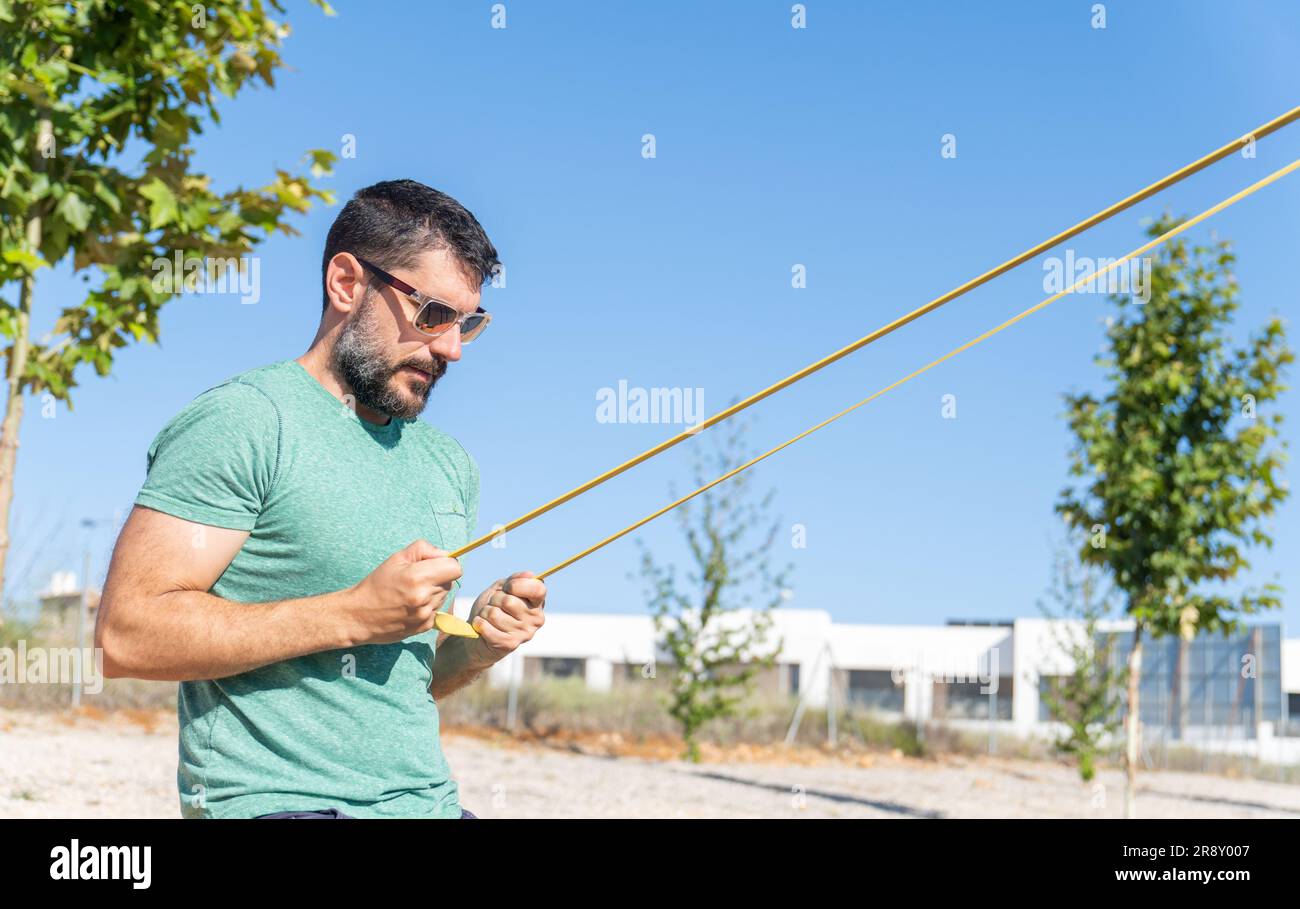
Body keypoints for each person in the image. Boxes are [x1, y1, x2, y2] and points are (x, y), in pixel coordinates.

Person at [95, 180, 545, 819]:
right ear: (346, 283)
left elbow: (400, 685)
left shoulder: (450, 465)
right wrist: (354, 612)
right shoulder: (246, 421)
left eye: (468, 323)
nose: (450, 348)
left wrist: (476, 646)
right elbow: (125, 636)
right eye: (434, 314)